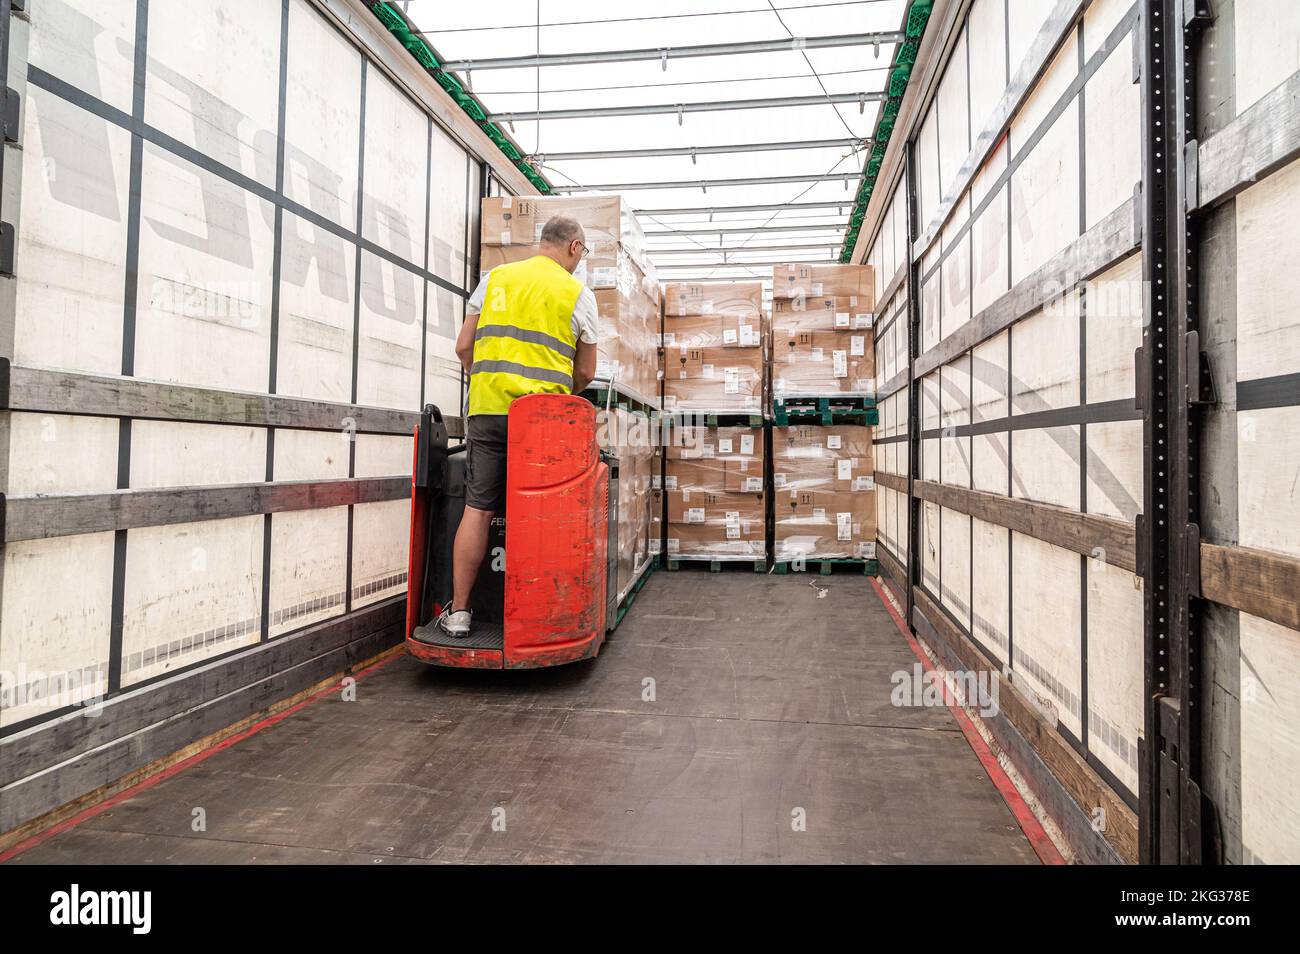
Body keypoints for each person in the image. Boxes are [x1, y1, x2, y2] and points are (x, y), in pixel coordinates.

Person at [436, 215, 599, 638]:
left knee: (478, 508)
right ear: (574, 248)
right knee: (543, 514)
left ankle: (460, 614)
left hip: (489, 412)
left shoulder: (495, 279)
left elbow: (463, 346)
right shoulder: (578, 294)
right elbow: (586, 372)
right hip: (544, 421)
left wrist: (488, 380)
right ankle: (538, 613)